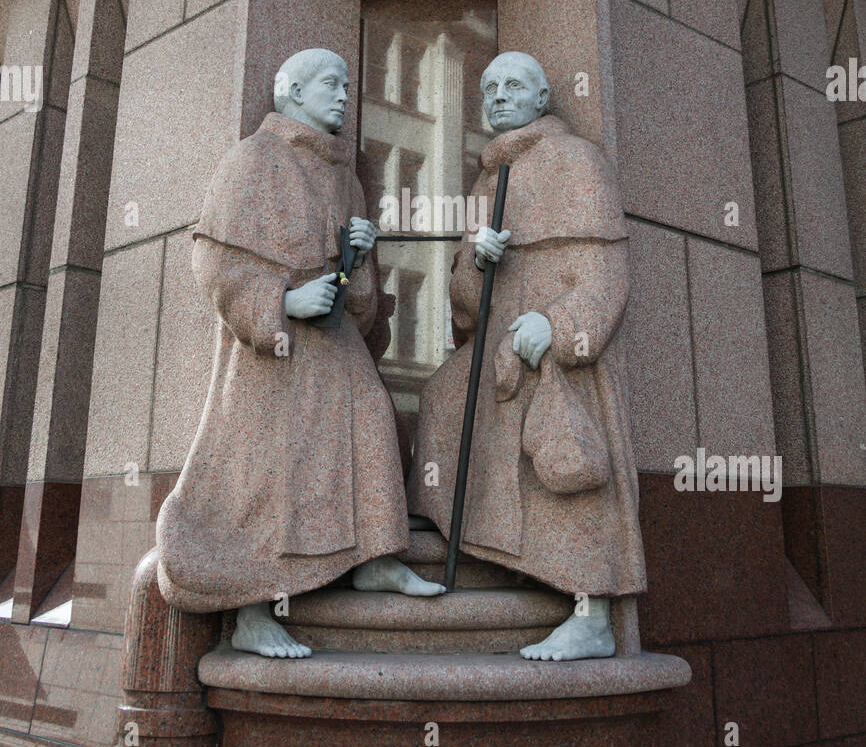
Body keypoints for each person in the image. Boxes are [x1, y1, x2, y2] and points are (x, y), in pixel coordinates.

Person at [157, 48, 443, 659]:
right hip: (273, 352)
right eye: (329, 84)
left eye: (346, 84)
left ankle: (375, 555)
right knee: (262, 470)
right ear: (289, 90)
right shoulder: (251, 159)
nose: (343, 95)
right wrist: (281, 299)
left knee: (372, 416)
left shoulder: (345, 177)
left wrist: (356, 260)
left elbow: (359, 304)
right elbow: (214, 263)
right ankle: (254, 610)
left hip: (334, 344)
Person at [407, 51, 647, 660]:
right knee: (440, 398)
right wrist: (475, 263)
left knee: (572, 463)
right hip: (495, 351)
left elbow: (606, 271)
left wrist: (561, 326)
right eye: (488, 87)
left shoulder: (576, 160)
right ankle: (477, 547)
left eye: (514, 85)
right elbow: (465, 309)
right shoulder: (489, 180)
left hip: (553, 350)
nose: (498, 96)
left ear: (543, 99)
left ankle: (591, 612)